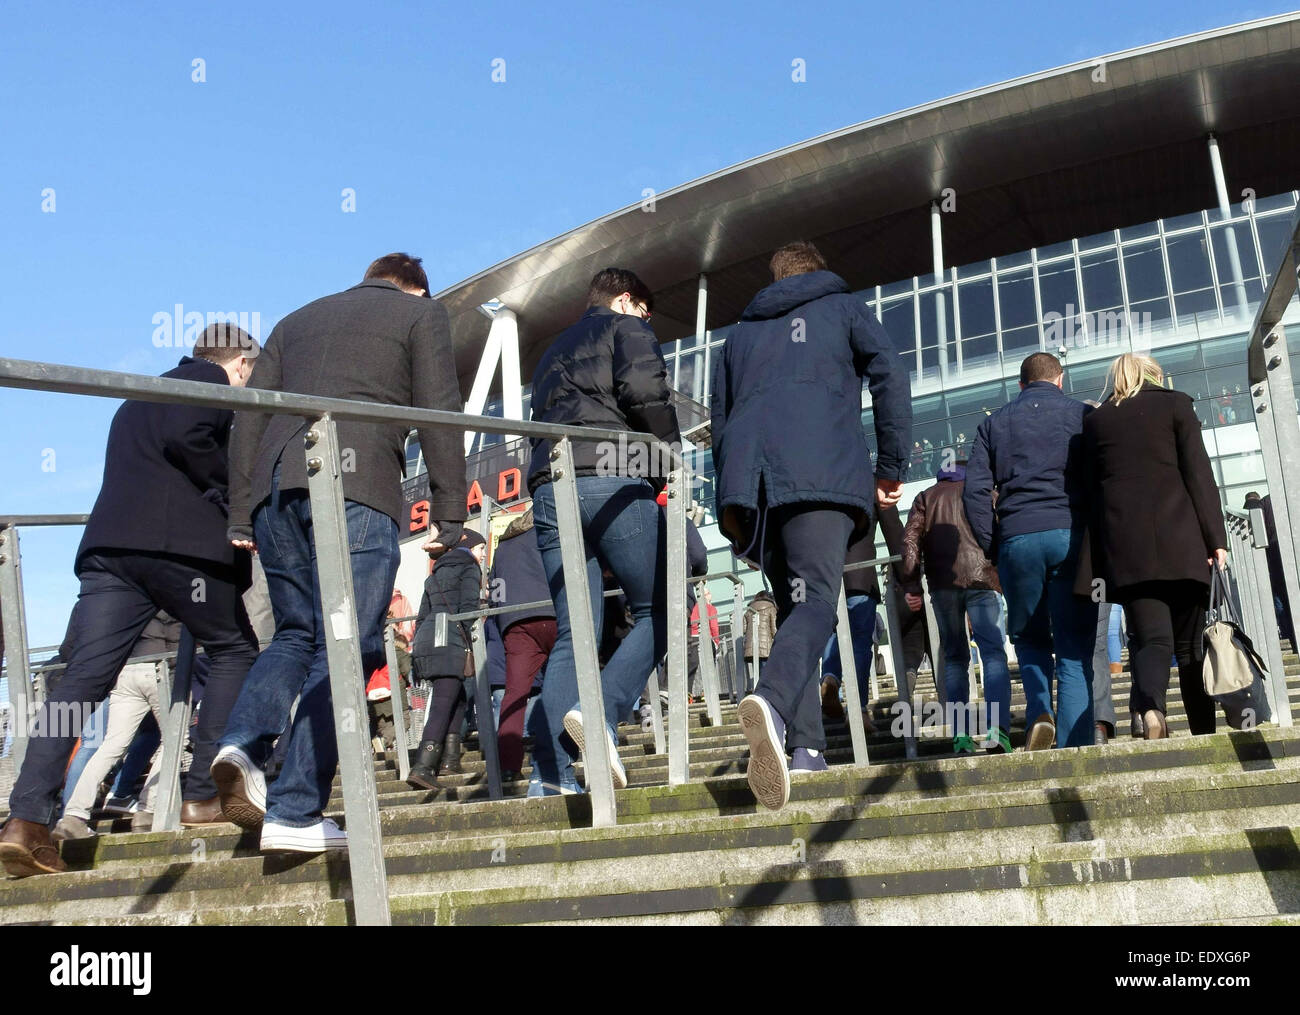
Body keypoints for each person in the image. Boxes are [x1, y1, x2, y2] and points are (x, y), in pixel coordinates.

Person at [212, 253, 467, 854]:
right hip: (356, 486)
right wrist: (450, 505)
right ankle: (295, 809)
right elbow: (438, 412)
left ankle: (243, 745)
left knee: (297, 634)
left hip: (278, 490)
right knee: (345, 641)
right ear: (415, 287)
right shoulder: (420, 315)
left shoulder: (295, 321)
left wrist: (241, 509)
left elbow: (248, 418)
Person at [0, 324, 261, 879]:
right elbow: (188, 434)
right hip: (176, 548)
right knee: (235, 648)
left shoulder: (137, 397)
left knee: (81, 684)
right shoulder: (207, 383)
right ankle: (199, 795)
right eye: (248, 374)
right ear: (239, 363)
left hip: (111, 549)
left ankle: (25, 820)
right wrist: (235, 500)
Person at [711, 240, 911, 810]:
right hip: (820, 473)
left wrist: (732, 500)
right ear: (819, 271)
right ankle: (772, 703)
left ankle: (806, 752)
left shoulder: (739, 335)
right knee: (820, 601)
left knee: (795, 606)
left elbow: (720, 422)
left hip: (756, 489)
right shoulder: (844, 308)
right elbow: (889, 376)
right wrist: (892, 466)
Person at [526, 267, 683, 796]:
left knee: (575, 635)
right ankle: (602, 717)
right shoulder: (626, 329)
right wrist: (667, 457)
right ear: (625, 300)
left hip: (551, 486)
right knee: (663, 609)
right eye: (644, 310)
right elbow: (645, 390)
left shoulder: (551, 352)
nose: (646, 321)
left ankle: (549, 779)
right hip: (612, 475)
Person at [1076, 354, 1228, 739]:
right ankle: (1204, 732)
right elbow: (1199, 475)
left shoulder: (1096, 422)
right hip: (1183, 546)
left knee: (1151, 640)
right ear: (1155, 376)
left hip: (1128, 554)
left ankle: (1153, 712)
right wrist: (1216, 540)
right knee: (1191, 648)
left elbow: (1093, 492)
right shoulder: (1176, 405)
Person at [964, 352, 1098, 751]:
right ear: (1060, 379)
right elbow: (1099, 476)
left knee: (1030, 638)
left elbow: (974, 494)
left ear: (1020, 385)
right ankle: (1075, 748)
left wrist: (994, 545)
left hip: (1017, 539)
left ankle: (1040, 710)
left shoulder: (993, 424)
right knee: (1074, 649)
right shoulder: (1082, 416)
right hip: (1070, 534)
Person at [901, 460, 1011, 754]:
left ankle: (961, 736)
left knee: (954, 659)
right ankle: (998, 730)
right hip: (982, 580)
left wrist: (912, 585)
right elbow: (1001, 529)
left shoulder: (926, 497)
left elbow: (910, 542)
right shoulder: (983, 491)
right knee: (993, 654)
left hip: (943, 585)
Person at [53, 613, 180, 840]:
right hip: (164, 667)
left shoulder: (131, 589)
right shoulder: (175, 586)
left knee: (111, 746)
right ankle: (148, 810)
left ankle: (73, 816)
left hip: (127, 670)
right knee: (176, 740)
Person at [407, 530, 486, 788]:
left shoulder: (435, 575)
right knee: (442, 702)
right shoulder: (470, 570)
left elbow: (421, 617)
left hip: (426, 640)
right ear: (470, 548)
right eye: (481, 549)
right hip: (450, 639)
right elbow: (467, 611)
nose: (484, 554)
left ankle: (450, 760)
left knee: (457, 697)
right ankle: (424, 765)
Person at [485, 507, 556, 783]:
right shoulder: (547, 530)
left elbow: (495, 589)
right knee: (570, 682)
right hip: (553, 612)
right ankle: (562, 755)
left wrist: (505, 622)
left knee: (514, 695)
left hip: (515, 623)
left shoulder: (503, 546)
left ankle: (508, 765)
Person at [820, 522, 882, 733]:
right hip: (860, 574)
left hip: (828, 576)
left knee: (832, 632)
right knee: (861, 643)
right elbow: (893, 528)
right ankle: (858, 710)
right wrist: (906, 577)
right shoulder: (874, 488)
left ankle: (829, 677)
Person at [1243, 491, 1296, 650]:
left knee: (1282, 604)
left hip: (1275, 560)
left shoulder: (1263, 504)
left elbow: (1259, 532)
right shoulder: (1289, 495)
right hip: (1287, 555)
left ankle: (1292, 639)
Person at [742, 590, 778, 680]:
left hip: (752, 647)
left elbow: (743, 629)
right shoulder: (771, 608)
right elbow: (774, 629)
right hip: (766, 646)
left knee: (757, 672)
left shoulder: (749, 610)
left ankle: (758, 690)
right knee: (767, 671)